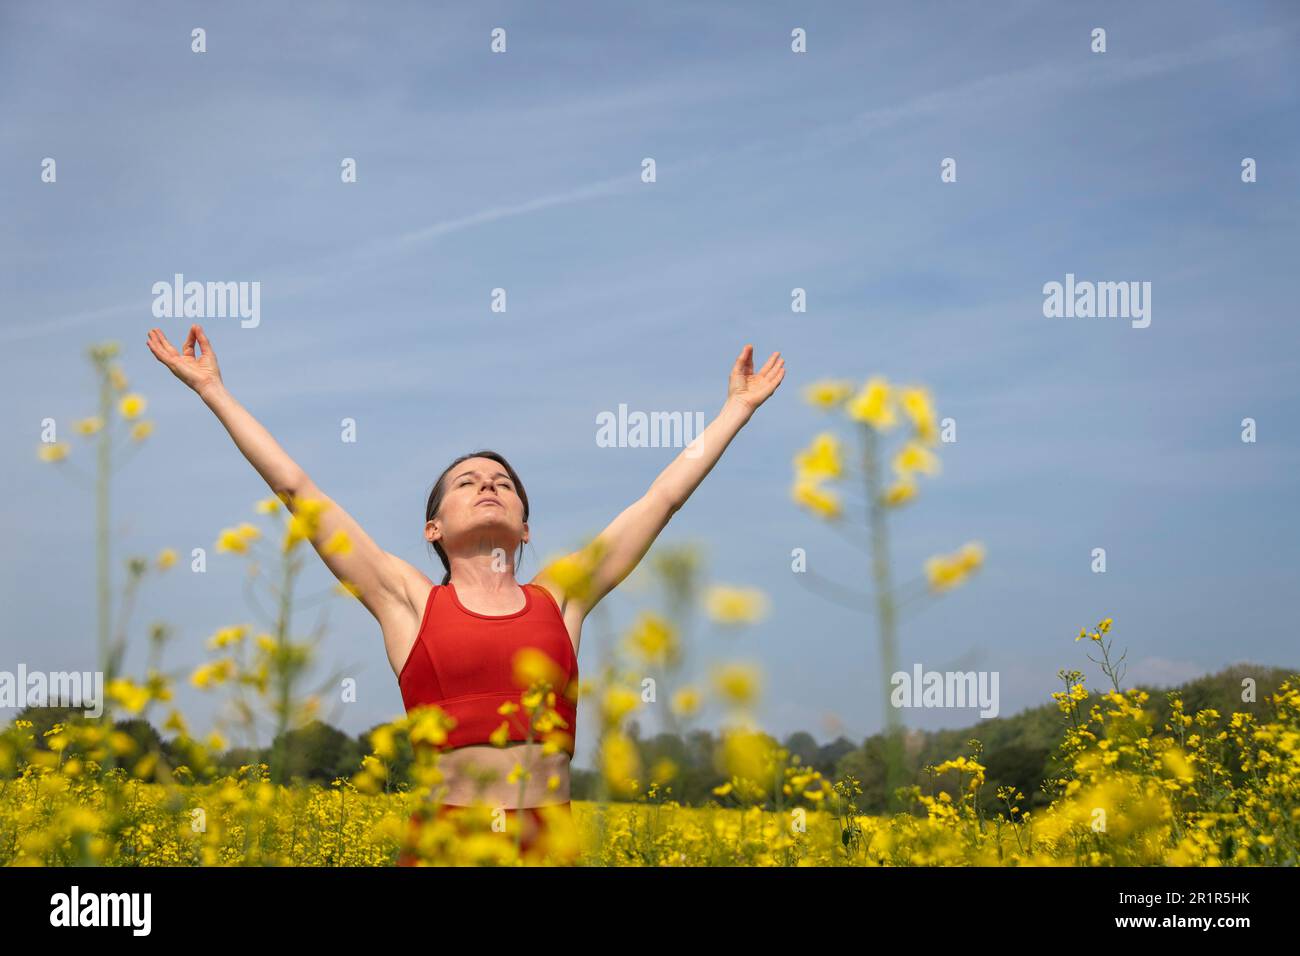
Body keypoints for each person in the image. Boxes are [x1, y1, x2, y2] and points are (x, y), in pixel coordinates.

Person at [146, 324, 785, 864]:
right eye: (468, 482)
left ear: (526, 526)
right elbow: (299, 492)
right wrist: (213, 390)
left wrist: (736, 409)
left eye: (503, 482)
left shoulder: (560, 598)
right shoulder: (409, 600)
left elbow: (662, 497)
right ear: (434, 527)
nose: (488, 485)